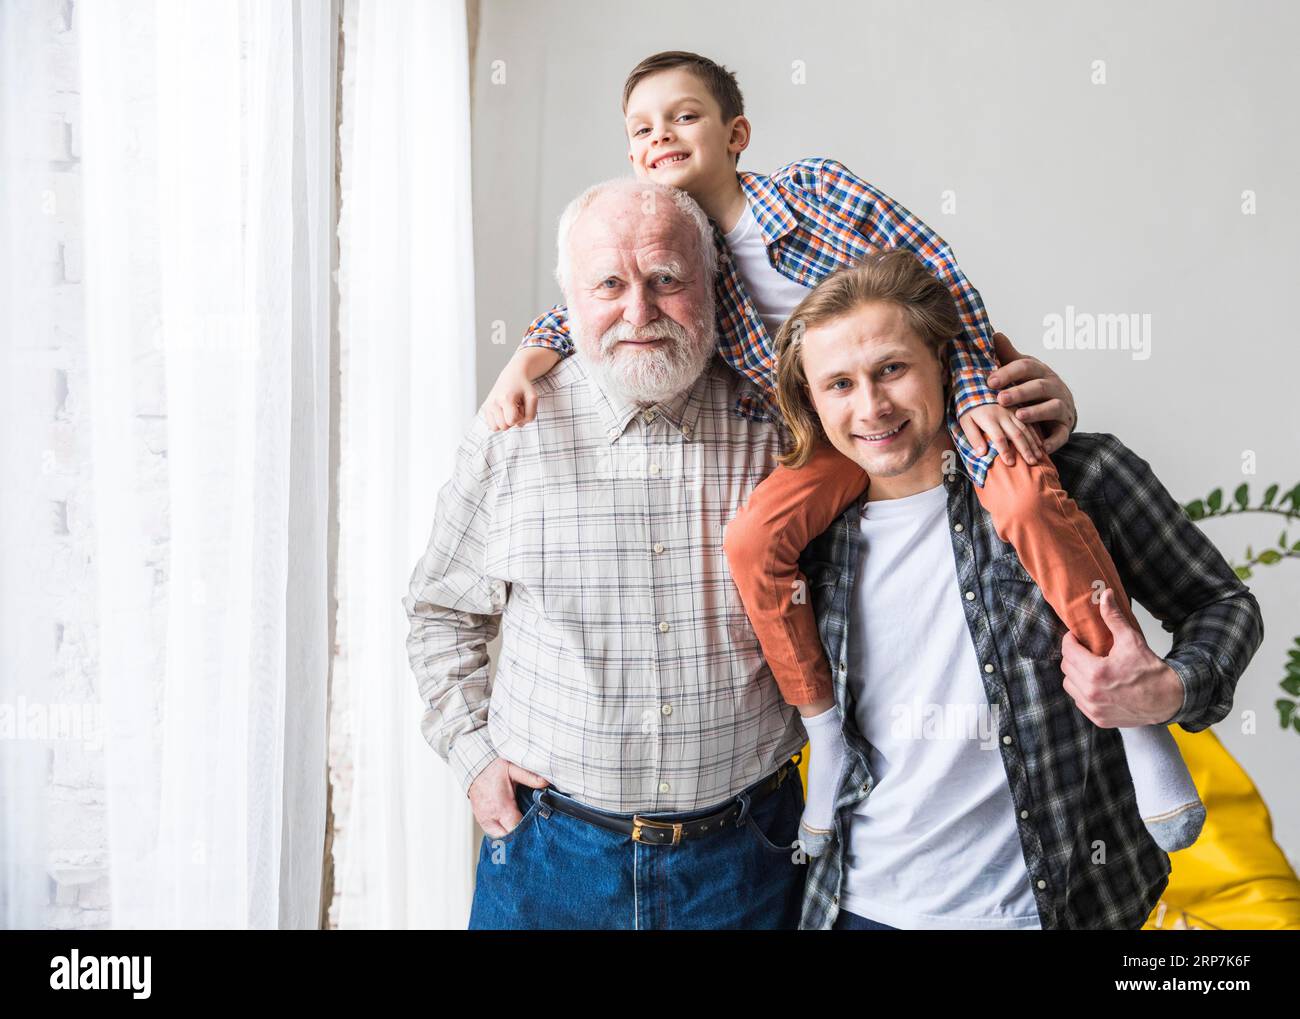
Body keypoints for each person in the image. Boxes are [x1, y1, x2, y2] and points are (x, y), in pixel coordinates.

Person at [478, 49, 1205, 855]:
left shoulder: (817, 189)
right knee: (752, 541)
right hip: (829, 434)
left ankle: (1132, 711)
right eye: (642, 130)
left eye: (683, 116)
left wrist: (969, 396)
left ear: (736, 131)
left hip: (936, 392)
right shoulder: (688, 263)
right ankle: (824, 735)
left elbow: (942, 278)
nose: (663, 137)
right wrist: (524, 360)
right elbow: (595, 294)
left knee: (1028, 501)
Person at [403, 179, 1077, 929]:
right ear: (568, 302)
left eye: (667, 279)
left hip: (749, 858)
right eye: (608, 285)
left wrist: (1027, 403)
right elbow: (439, 612)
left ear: (716, 283)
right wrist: (472, 759)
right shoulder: (512, 429)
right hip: (550, 858)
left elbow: (903, 387)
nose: (639, 311)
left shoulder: (794, 420)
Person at [776, 250, 1264, 929]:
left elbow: (1222, 604)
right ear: (811, 398)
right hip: (856, 908)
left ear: (945, 363)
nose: (872, 405)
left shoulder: (1078, 477)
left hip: (1057, 908)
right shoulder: (806, 534)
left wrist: (1171, 688)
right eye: (839, 384)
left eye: (892, 368)